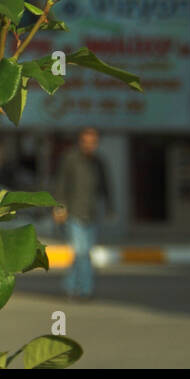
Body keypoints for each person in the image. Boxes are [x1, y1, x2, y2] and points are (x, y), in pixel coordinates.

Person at [53, 127, 111, 300]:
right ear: (80, 141)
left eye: (93, 142)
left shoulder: (99, 162)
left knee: (84, 253)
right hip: (74, 213)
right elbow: (62, 184)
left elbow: (106, 186)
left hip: (92, 213)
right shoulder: (70, 159)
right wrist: (59, 207)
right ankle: (84, 289)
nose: (89, 145)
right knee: (81, 253)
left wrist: (110, 207)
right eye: (86, 141)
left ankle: (72, 286)